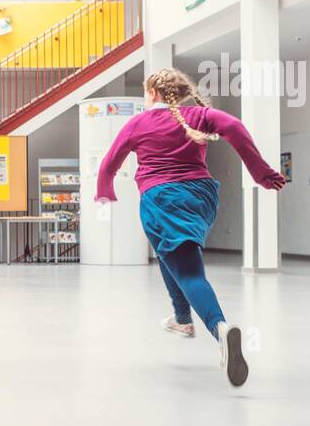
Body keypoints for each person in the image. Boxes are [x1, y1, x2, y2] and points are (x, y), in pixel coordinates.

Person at [95, 68, 286, 387]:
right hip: (201, 195)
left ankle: (220, 329)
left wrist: (104, 189)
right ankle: (183, 318)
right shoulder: (198, 115)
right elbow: (235, 127)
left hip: (162, 198)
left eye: (145, 93)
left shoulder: (138, 123)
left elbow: (109, 161)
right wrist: (259, 172)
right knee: (171, 255)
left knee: (188, 271)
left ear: (153, 93)